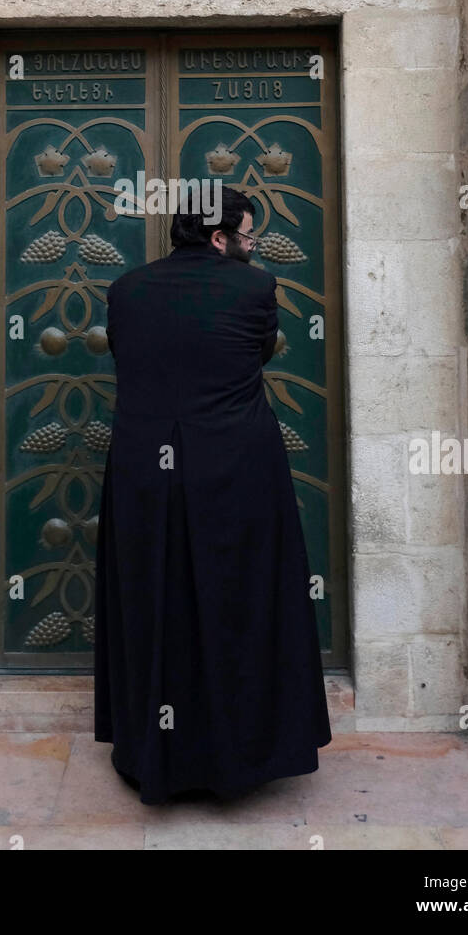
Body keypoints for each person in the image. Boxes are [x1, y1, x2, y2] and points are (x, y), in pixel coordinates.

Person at [94, 187, 331, 804]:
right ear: (220, 238)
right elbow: (253, 356)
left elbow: (128, 359)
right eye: (248, 238)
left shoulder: (124, 290)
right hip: (237, 466)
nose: (251, 249)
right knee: (241, 600)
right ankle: (244, 753)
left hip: (144, 468)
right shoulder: (254, 290)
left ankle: (154, 752)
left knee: (155, 596)